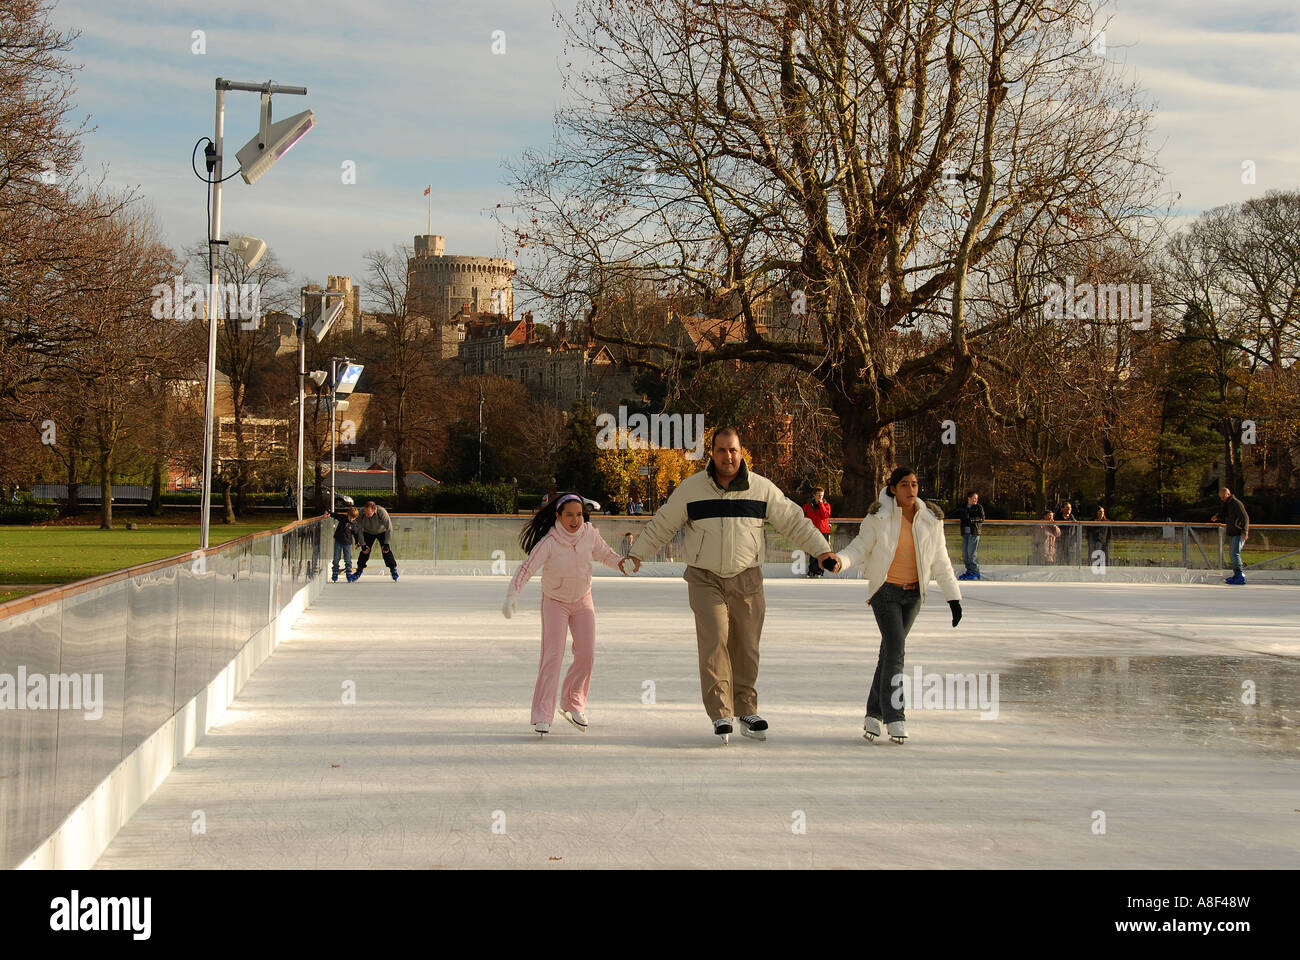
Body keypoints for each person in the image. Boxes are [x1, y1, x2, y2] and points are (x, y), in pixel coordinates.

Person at [623, 427, 839, 743]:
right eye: (722, 450)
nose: (728, 456)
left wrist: (822, 550)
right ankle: (721, 712)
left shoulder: (760, 489)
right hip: (704, 577)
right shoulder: (692, 488)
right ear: (712, 453)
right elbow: (664, 522)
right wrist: (638, 553)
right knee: (714, 640)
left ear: (742, 452)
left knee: (746, 646)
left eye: (733, 450)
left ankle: (746, 709)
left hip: (747, 577)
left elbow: (794, 520)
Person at [828, 467, 962, 744]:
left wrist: (954, 597)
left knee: (889, 653)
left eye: (914, 484)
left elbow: (941, 560)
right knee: (896, 652)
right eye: (904, 485)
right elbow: (859, 548)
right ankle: (895, 715)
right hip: (885, 592)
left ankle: (872, 713)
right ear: (892, 489)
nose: (911, 490)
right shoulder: (879, 517)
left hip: (913, 596)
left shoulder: (931, 520)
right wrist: (840, 561)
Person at [502, 492, 631, 735]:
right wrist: (512, 595)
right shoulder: (550, 542)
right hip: (555, 603)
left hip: (583, 600)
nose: (575, 520)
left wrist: (623, 563)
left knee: (587, 654)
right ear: (558, 516)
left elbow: (606, 554)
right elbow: (527, 568)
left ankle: (573, 702)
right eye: (569, 515)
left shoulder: (590, 534)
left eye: (579, 515)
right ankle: (542, 714)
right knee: (552, 656)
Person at [1211, 487, 1250, 584]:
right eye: (1221, 498)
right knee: (1233, 554)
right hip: (1233, 532)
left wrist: (1245, 531)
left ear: (1228, 494)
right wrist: (1217, 516)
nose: (1222, 499)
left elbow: (1245, 517)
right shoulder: (1227, 504)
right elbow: (1224, 513)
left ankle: (1239, 575)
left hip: (1239, 532)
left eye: (1223, 497)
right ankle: (1237, 574)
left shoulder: (1236, 503)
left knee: (1234, 553)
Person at [352, 500, 399, 581]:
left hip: (381, 531)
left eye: (368, 513)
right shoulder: (361, 513)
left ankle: (393, 569)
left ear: (374, 510)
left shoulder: (381, 512)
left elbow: (389, 528)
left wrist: (386, 543)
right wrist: (362, 544)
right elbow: (358, 529)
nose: (366, 515)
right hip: (367, 532)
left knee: (386, 550)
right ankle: (359, 570)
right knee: (365, 551)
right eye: (365, 512)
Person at [324, 505, 362, 582]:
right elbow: (335, 515)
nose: (351, 519)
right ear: (348, 515)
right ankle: (335, 571)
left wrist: (357, 542)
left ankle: (348, 571)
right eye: (350, 517)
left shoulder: (354, 524)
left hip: (347, 543)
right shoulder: (343, 518)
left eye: (353, 518)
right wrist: (329, 513)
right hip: (338, 541)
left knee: (347, 558)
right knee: (336, 557)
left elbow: (356, 534)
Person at [801, 486, 832, 578]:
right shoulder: (808, 505)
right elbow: (802, 514)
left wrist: (821, 504)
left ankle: (820, 571)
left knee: (822, 552)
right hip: (812, 531)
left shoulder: (826, 505)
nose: (820, 497)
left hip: (823, 531)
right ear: (814, 495)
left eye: (822, 495)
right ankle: (812, 570)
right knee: (813, 552)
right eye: (818, 495)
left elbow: (825, 515)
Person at [955, 490, 985, 580]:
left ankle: (975, 572)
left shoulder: (978, 507)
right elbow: (954, 512)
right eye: (974, 498)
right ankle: (969, 571)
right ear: (969, 498)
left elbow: (982, 518)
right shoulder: (963, 507)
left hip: (974, 533)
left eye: (977, 498)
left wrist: (972, 520)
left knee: (971, 554)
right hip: (965, 533)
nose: (976, 500)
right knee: (965, 555)